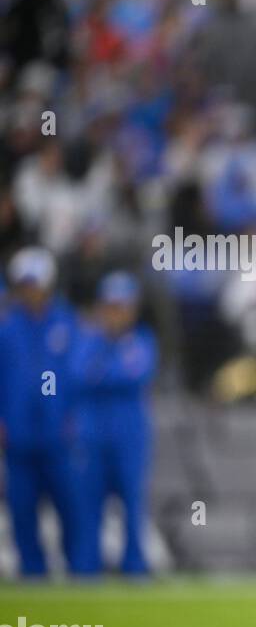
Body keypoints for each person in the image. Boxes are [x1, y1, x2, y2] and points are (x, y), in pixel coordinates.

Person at [0, 246, 81, 577]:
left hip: (60, 437)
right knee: (22, 510)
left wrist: (75, 420)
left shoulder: (68, 323)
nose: (31, 292)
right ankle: (32, 575)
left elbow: (79, 376)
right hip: (18, 437)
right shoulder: (7, 329)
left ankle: (80, 574)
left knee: (72, 509)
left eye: (36, 284)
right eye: (25, 285)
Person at [70, 272, 157, 576]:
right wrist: (112, 370)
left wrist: (103, 372)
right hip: (92, 435)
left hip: (130, 437)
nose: (117, 314)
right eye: (111, 306)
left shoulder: (143, 340)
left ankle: (135, 568)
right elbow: (78, 375)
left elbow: (136, 374)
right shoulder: (88, 340)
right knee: (88, 507)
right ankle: (86, 570)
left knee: (133, 507)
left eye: (122, 306)